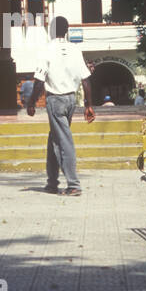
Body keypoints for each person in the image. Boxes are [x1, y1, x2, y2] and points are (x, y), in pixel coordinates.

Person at [26, 16, 94, 195]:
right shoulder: (75, 49)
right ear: (67, 31)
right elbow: (86, 80)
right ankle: (52, 182)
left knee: (64, 141)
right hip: (71, 100)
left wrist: (31, 102)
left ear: (51, 30)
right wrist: (88, 105)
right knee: (54, 140)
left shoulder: (46, 50)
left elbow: (39, 80)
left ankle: (73, 184)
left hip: (55, 100)